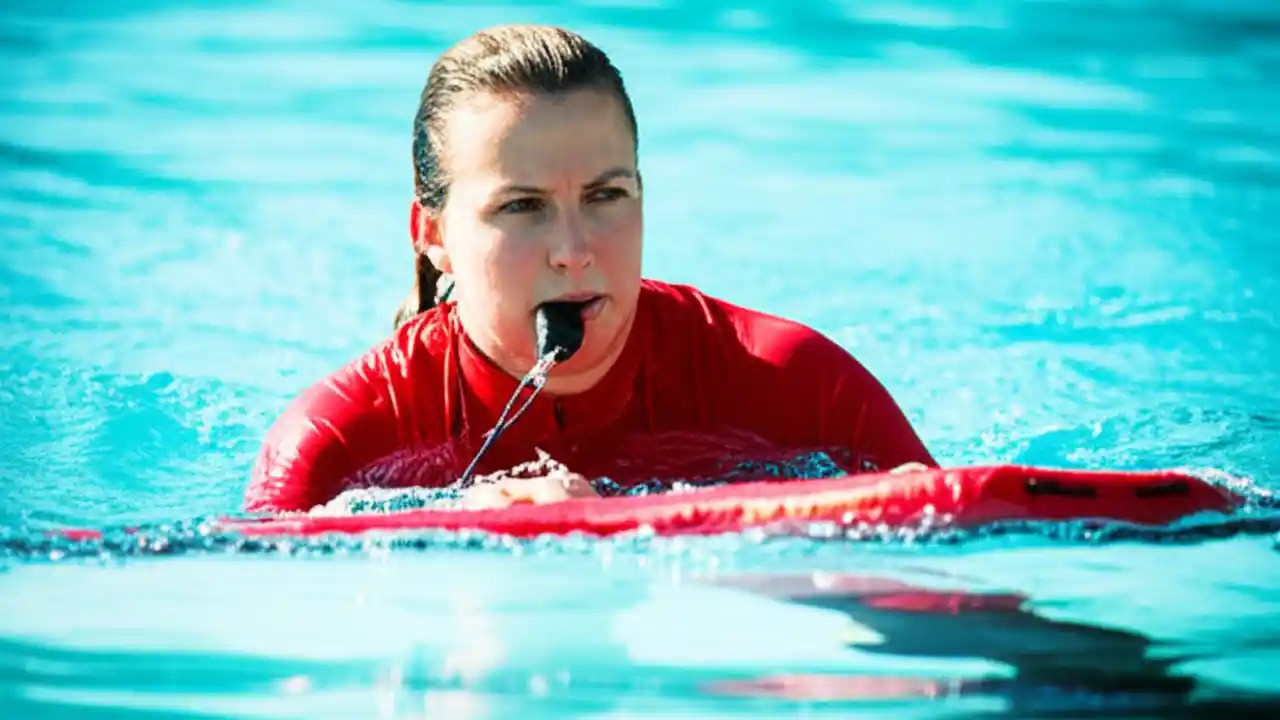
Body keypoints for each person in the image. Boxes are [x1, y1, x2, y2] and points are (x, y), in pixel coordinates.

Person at [246, 25, 935, 513]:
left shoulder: (797, 385)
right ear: (433, 235)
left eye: (606, 196)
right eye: (522, 206)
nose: (573, 250)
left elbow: (964, 557)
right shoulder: (335, 444)